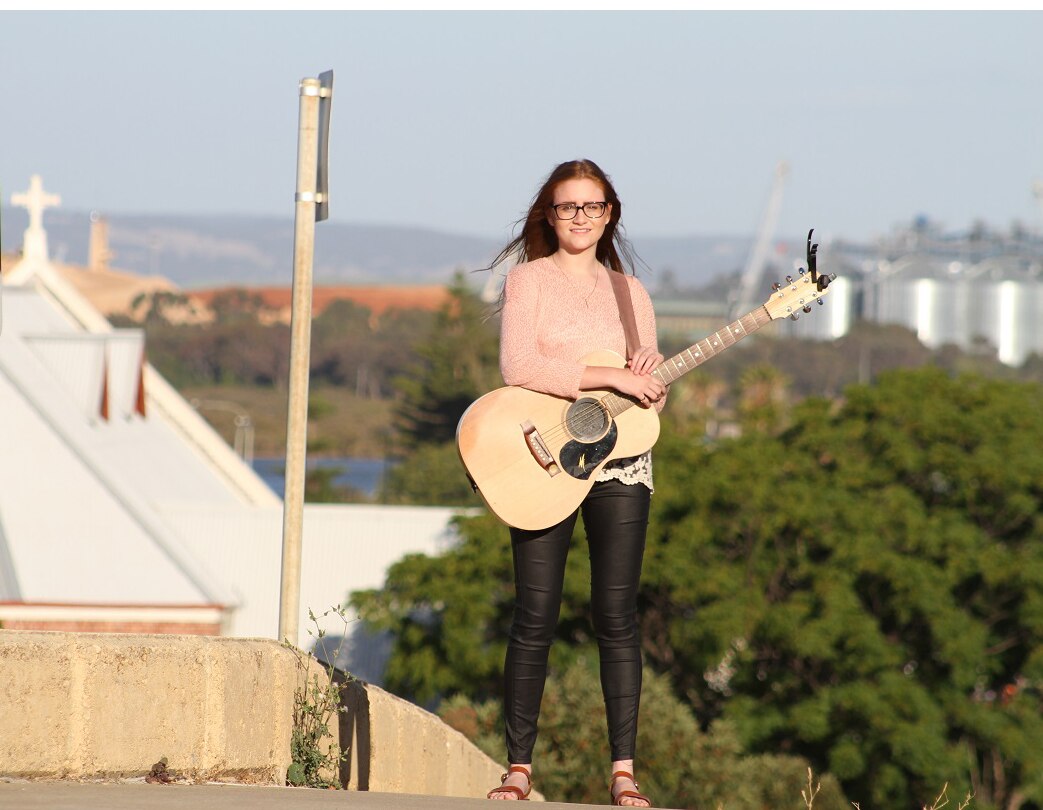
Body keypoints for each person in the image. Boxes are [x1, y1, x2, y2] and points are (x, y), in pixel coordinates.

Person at [485, 159, 667, 807]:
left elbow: (646, 403)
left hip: (620, 465)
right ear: (549, 215)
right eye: (567, 208)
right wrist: (608, 376)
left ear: (610, 212)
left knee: (615, 617)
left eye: (591, 207)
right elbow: (518, 364)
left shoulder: (631, 295)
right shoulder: (527, 281)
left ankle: (623, 773)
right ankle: (517, 769)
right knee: (534, 613)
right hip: (542, 456)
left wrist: (646, 380)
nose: (580, 218)